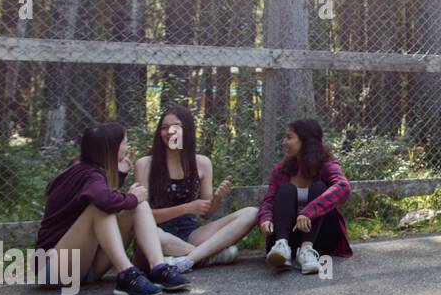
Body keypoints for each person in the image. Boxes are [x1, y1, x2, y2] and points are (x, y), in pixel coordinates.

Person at [35, 121, 191, 295]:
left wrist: (121, 176)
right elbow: (102, 199)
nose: (127, 147)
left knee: (140, 205)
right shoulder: (85, 173)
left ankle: (158, 268)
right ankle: (127, 275)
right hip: (51, 268)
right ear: (112, 148)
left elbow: (102, 194)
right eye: (124, 142)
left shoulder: (91, 172)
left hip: (84, 268)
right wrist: (131, 197)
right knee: (101, 209)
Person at [135, 105, 259, 272]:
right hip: (156, 236)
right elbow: (143, 217)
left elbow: (207, 213)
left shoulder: (202, 163)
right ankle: (207, 255)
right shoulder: (144, 164)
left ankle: (187, 259)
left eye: (175, 126)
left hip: (191, 235)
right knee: (157, 237)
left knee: (251, 213)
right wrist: (185, 208)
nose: (169, 132)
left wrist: (217, 198)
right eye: (164, 128)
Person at [258, 119, 352, 275]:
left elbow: (343, 187)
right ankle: (281, 247)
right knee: (287, 189)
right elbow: (269, 199)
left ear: (306, 141)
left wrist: (309, 212)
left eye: (289, 137)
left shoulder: (327, 165)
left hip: (321, 237)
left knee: (319, 187)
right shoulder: (281, 170)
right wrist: (265, 218)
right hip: (290, 235)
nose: (284, 142)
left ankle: (307, 251)